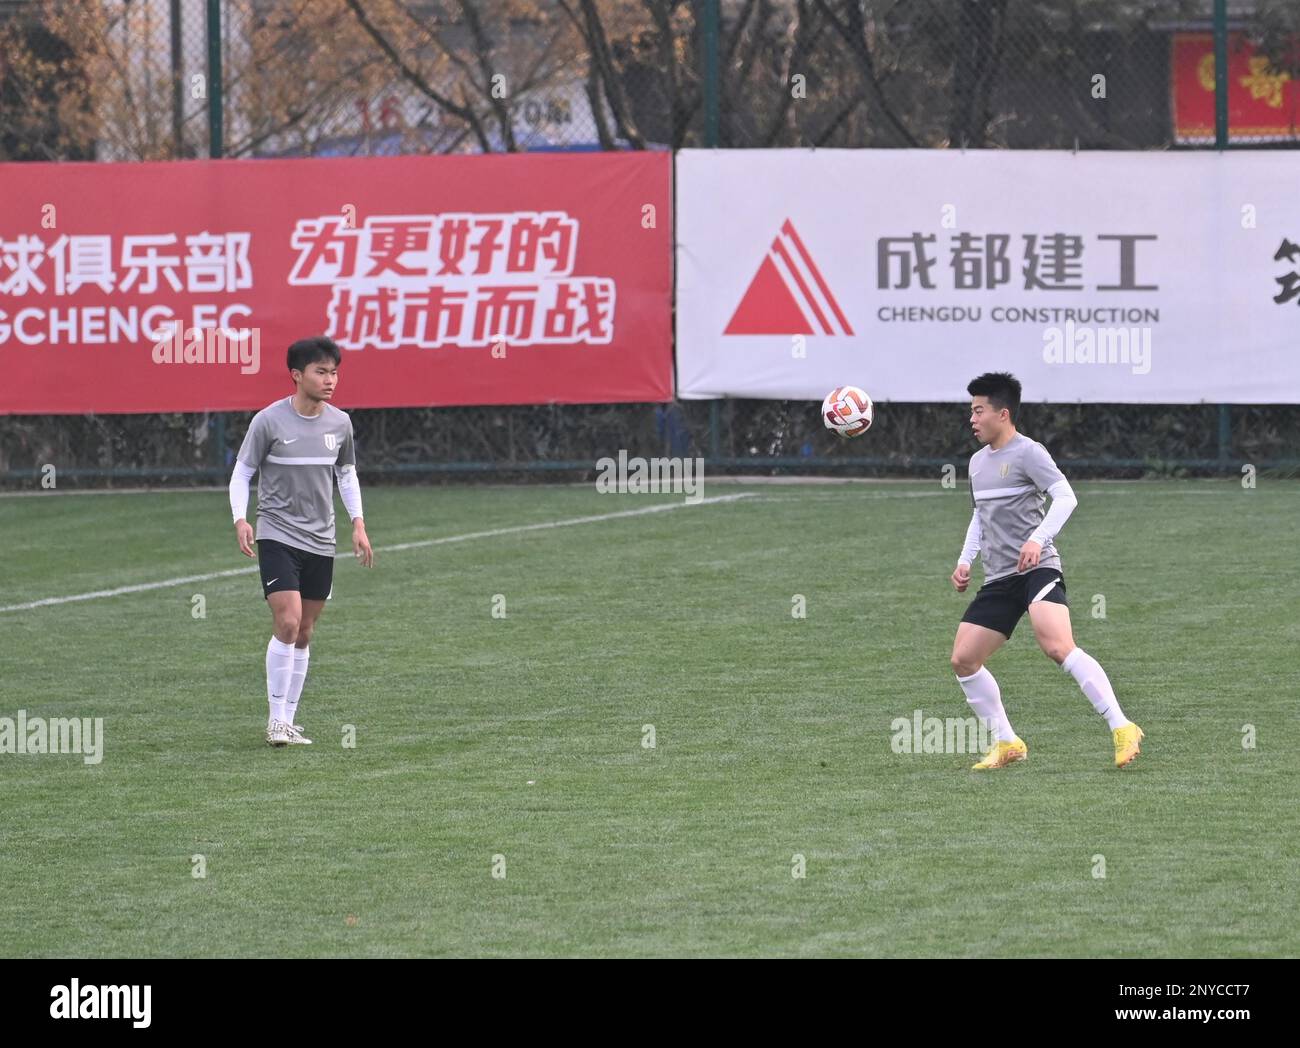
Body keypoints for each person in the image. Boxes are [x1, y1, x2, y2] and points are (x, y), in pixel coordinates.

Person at [950, 372, 1143, 770]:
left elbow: (1065, 497)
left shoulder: (1029, 453)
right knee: (964, 659)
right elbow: (979, 516)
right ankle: (1007, 743)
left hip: (1037, 570)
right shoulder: (975, 464)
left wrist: (1037, 540)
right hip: (1001, 578)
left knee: (1056, 646)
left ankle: (1122, 726)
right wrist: (966, 560)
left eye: (978, 410)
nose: (972, 419)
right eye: (971, 411)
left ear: (1002, 414)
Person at [228, 336, 374, 746]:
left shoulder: (340, 423)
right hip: (276, 533)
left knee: (305, 630)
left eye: (334, 373)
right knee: (288, 621)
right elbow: (242, 473)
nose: (330, 380)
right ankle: (275, 722)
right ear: (297, 375)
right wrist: (240, 519)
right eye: (320, 372)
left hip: (320, 539)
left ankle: (289, 720)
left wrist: (358, 523)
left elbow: (346, 475)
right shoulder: (268, 421)